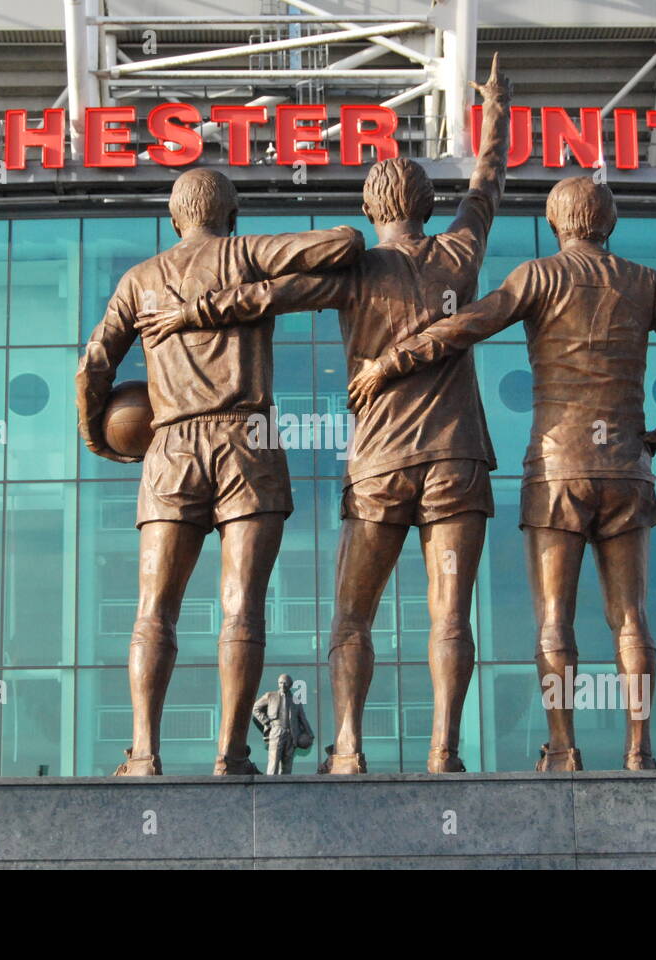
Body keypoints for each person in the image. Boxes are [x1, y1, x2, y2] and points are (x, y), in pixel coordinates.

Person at [136, 56, 512, 775]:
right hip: (458, 460)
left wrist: (193, 311)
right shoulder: (460, 252)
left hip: (379, 467)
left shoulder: (355, 272)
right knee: (449, 615)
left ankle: (347, 749)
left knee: (353, 617)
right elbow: (487, 185)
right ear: (427, 206)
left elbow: (263, 297)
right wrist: (494, 112)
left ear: (372, 210)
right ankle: (444, 750)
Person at [348, 175, 656, 771]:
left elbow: (464, 327)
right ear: (610, 223)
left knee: (555, 619)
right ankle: (640, 748)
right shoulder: (648, 283)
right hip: (628, 467)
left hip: (557, 471)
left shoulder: (539, 277)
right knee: (631, 618)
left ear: (556, 224)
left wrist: (389, 364)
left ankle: (563, 746)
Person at [76, 168, 364, 776]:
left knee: (154, 608)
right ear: (230, 216)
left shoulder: (139, 280)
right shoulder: (246, 254)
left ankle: (146, 755)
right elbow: (346, 242)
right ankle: (232, 753)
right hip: (247, 438)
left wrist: (97, 436)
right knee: (242, 607)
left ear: (176, 219)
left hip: (171, 445)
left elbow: (92, 366)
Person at [252, 674, 314, 774]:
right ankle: (270, 787)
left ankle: (286, 787)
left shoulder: (296, 701)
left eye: (285, 683)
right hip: (276, 731)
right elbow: (255, 708)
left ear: (290, 685)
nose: (282, 685)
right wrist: (266, 721)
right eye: (280, 682)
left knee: (287, 764)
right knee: (274, 761)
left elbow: (303, 719)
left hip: (291, 734)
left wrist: (310, 734)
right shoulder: (270, 696)